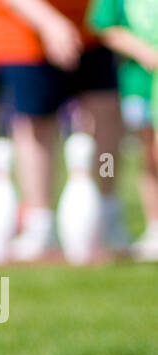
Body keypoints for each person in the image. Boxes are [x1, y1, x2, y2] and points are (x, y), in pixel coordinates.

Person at [0, 0, 125, 258]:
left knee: (106, 112)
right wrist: (49, 22)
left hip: (89, 26)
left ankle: (107, 213)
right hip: (20, 32)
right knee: (36, 125)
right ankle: (39, 222)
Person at [87, 0, 158, 257]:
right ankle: (154, 225)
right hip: (140, 82)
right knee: (149, 153)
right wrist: (144, 52)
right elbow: (103, 25)